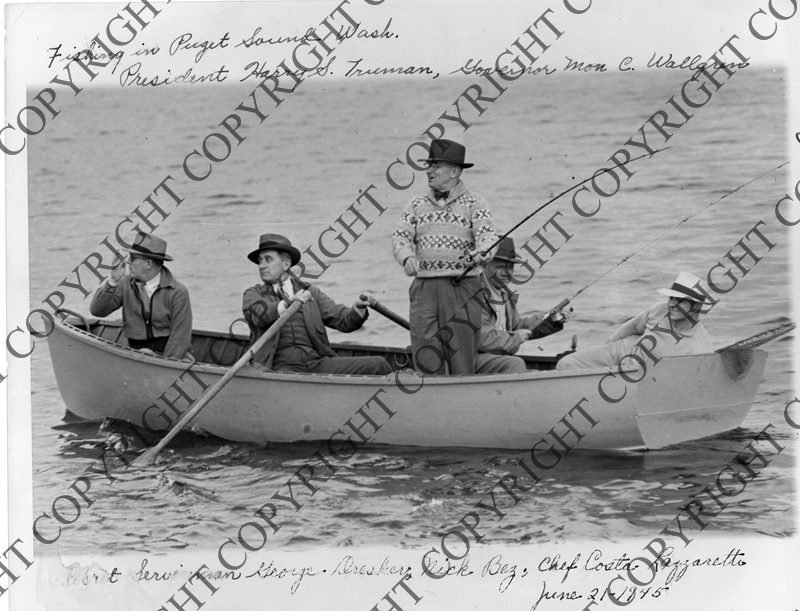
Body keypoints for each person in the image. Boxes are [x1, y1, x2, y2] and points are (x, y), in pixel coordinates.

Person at [391, 138, 498, 375]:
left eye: (436, 165)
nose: (429, 170)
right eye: (429, 165)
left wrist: (483, 253)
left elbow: (488, 237)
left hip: (463, 288)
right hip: (423, 288)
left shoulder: (475, 203)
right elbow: (400, 237)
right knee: (426, 357)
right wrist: (407, 257)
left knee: (461, 358)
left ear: (455, 171)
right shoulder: (416, 204)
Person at [242, 233, 392, 375]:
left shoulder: (310, 292)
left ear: (286, 264)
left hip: (316, 364)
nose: (261, 266)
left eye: (268, 260)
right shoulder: (254, 294)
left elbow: (343, 320)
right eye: (260, 261)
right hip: (278, 368)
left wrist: (358, 308)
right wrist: (288, 303)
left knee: (378, 364)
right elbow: (258, 314)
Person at [556, 272, 714, 370]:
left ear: (697, 306)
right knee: (565, 365)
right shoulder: (659, 309)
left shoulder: (700, 347)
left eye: (680, 301)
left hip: (637, 377)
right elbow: (626, 330)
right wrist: (605, 356)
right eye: (671, 298)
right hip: (619, 352)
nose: (672, 304)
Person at [90, 233, 193, 360]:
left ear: (148, 263)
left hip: (169, 356)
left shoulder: (178, 292)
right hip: (136, 355)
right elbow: (97, 311)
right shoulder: (125, 284)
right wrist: (113, 282)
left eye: (133, 258)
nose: (128, 262)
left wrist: (163, 365)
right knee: (143, 352)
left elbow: (180, 337)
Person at [476, 237, 567, 374]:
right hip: (471, 358)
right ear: (484, 265)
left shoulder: (504, 295)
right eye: (499, 267)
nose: (506, 273)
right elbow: (482, 339)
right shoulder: (474, 294)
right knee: (515, 364)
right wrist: (516, 338)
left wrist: (551, 319)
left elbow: (517, 328)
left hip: (495, 356)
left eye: (510, 267)